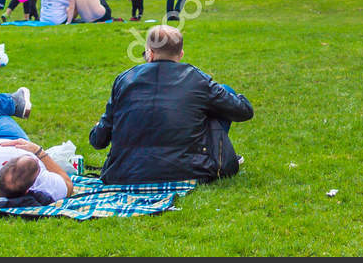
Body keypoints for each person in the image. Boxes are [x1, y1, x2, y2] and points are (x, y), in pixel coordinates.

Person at [89, 25, 253, 183]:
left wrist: (100, 127)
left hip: (124, 172)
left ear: (150, 53)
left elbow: (98, 140)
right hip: (190, 169)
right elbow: (243, 111)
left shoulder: (125, 80)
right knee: (225, 92)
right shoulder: (196, 79)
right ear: (180, 54)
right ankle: (217, 155)